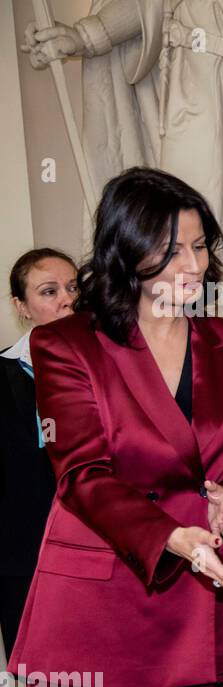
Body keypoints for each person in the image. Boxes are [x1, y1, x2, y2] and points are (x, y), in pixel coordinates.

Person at [7, 167, 223, 687]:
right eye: (171, 247)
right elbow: (81, 474)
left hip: (206, 593)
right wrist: (170, 536)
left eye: (201, 245)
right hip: (97, 597)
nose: (193, 263)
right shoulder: (67, 344)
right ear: (125, 248)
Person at [1, 249, 76, 656]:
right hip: (25, 563)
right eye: (49, 291)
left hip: (105, 559)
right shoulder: (3, 375)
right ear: (21, 307)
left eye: (72, 287)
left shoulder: (114, 368)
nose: (67, 299)